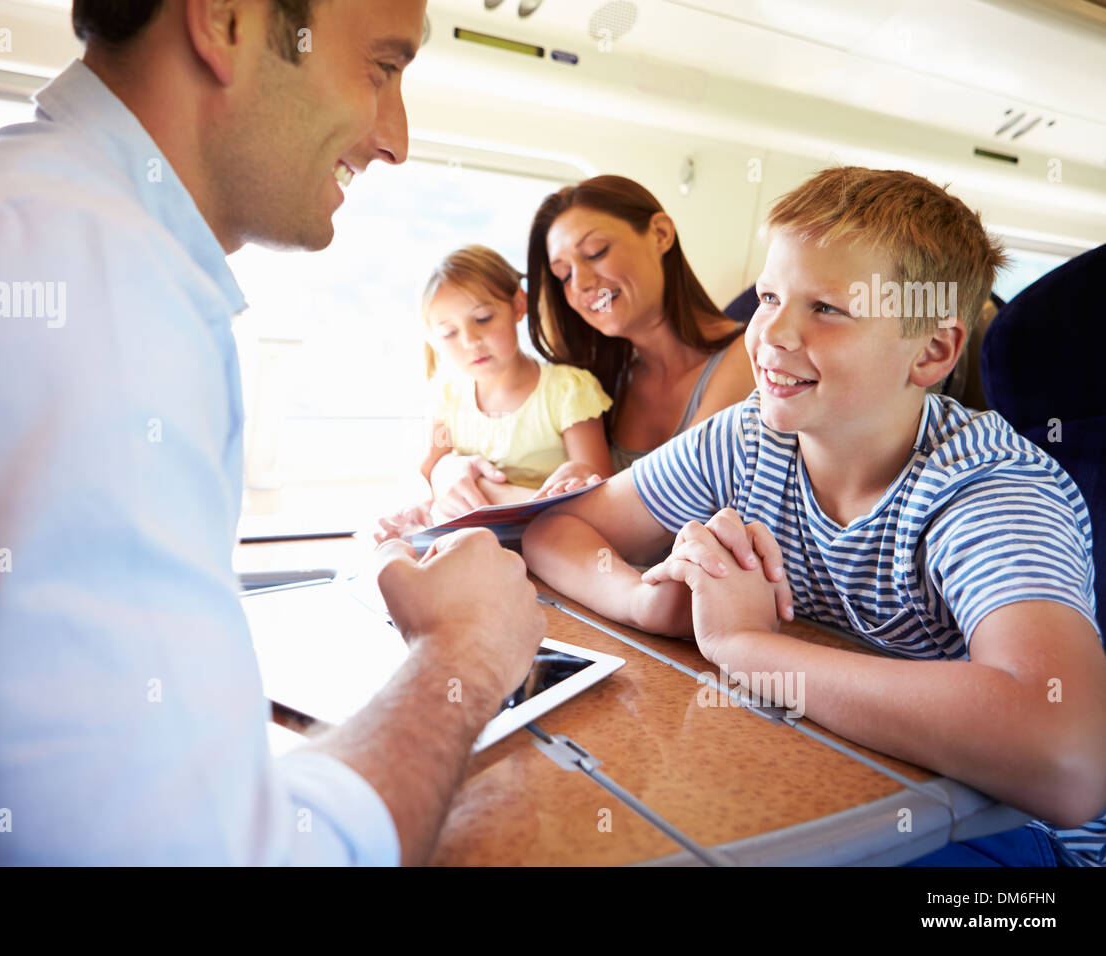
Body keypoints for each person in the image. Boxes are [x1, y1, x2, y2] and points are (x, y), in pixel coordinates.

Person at [0, 0, 547, 866]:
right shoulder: (73, 290)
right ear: (226, 20)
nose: (396, 138)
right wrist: (459, 655)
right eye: (381, 68)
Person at [521, 166, 1106, 866]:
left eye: (826, 309)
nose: (771, 335)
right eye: (770, 297)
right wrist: (642, 600)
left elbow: (1068, 761)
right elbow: (556, 531)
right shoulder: (748, 437)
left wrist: (748, 648)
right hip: (834, 773)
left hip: (1009, 846)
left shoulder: (984, 487)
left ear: (933, 351)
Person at [527, 175, 756, 473]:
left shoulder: (749, 354)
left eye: (596, 252)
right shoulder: (602, 380)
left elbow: (674, 496)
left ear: (660, 234)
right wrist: (449, 466)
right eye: (564, 275)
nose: (580, 283)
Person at [420, 245, 613, 520]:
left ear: (518, 305)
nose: (470, 340)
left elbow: (602, 489)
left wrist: (578, 479)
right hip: (476, 537)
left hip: (558, 533)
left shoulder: (568, 390)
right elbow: (429, 472)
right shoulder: (447, 397)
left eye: (483, 318)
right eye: (449, 332)